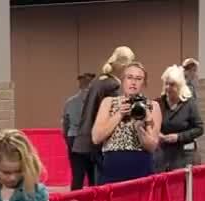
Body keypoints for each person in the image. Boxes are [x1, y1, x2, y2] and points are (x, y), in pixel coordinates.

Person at [91, 61, 161, 183]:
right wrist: (119, 114)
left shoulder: (152, 106)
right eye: (129, 78)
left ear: (144, 83)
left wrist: (139, 127)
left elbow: (152, 147)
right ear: (122, 80)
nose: (133, 82)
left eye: (138, 79)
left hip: (141, 169)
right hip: (111, 170)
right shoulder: (108, 103)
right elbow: (96, 138)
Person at [73, 47, 135, 182]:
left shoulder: (97, 81)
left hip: (81, 143)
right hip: (96, 146)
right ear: (124, 66)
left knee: (78, 187)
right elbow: (114, 116)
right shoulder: (113, 86)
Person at [155, 65, 203, 172]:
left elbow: (199, 128)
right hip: (162, 155)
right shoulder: (158, 103)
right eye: (166, 84)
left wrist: (178, 137)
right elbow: (150, 125)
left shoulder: (189, 104)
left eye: (172, 84)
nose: (168, 87)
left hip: (184, 156)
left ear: (180, 86)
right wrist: (156, 133)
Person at [63, 73, 96, 189]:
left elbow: (65, 125)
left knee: (77, 176)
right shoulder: (95, 102)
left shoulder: (69, 102)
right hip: (89, 139)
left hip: (73, 139)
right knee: (93, 176)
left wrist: (68, 142)